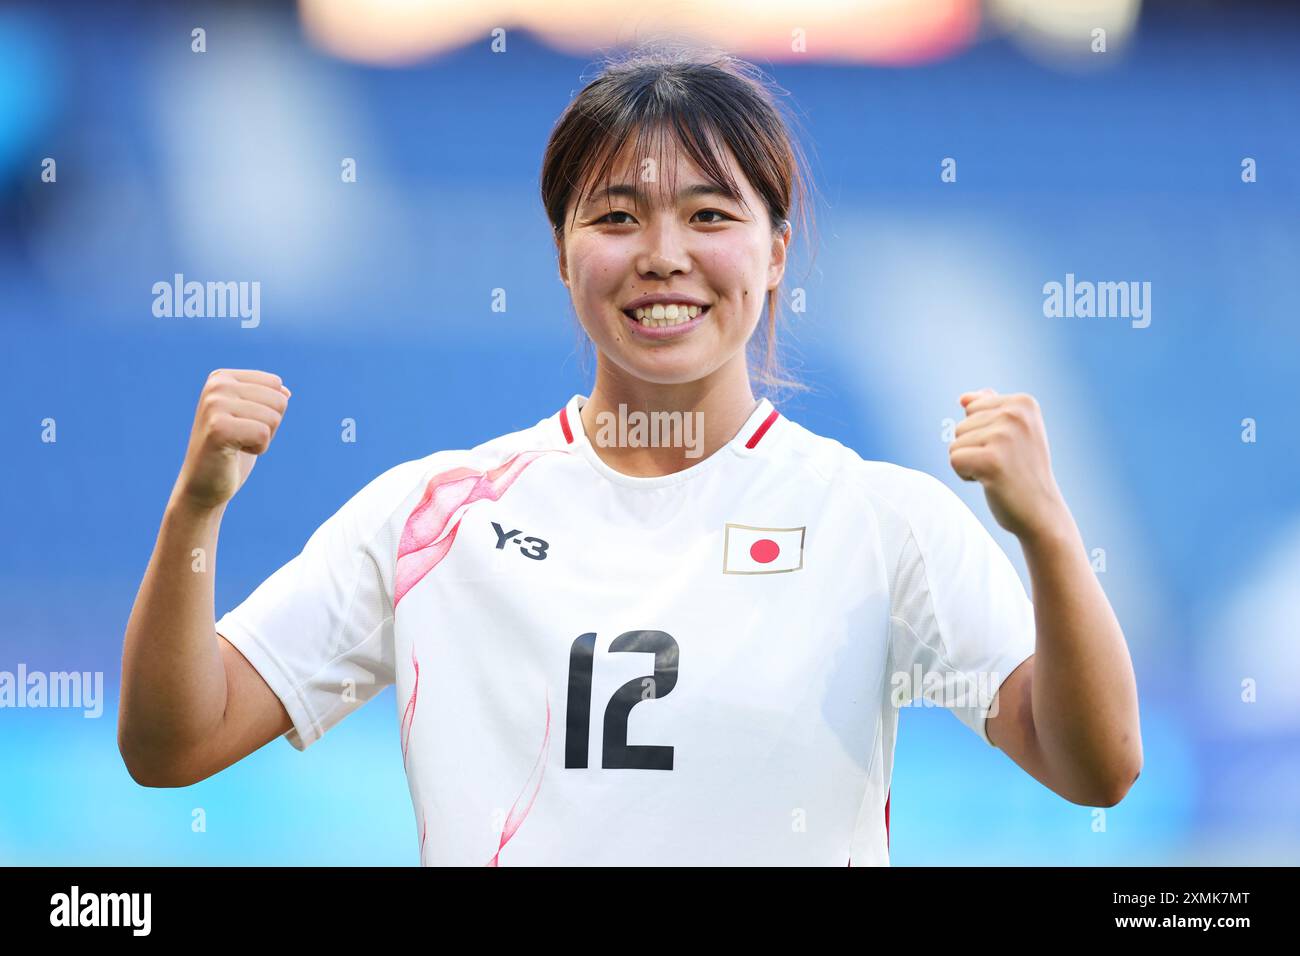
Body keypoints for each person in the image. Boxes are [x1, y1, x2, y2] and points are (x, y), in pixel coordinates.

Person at [118, 42, 1142, 866]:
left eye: (709, 214)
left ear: (775, 249)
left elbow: (1091, 765)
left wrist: (1047, 529)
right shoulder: (435, 516)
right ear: (562, 251)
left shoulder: (880, 520)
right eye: (615, 215)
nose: (662, 253)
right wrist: (194, 511)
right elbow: (173, 741)